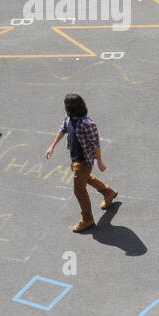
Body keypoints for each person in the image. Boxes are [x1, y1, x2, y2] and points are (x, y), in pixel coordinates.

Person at [45, 93, 116, 233]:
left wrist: (100, 163)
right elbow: (63, 128)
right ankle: (108, 192)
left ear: (70, 107)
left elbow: (96, 144)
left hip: (83, 161)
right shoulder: (69, 118)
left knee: (79, 190)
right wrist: (52, 146)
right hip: (75, 158)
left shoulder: (87, 124)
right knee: (86, 178)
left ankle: (87, 219)